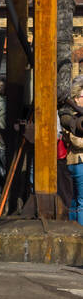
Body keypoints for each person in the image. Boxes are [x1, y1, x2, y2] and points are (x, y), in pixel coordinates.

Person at [59, 79, 83, 224]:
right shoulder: (73, 118)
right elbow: (76, 141)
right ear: (76, 98)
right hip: (79, 162)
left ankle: (73, 229)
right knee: (81, 201)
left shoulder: (67, 116)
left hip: (72, 162)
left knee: (74, 201)